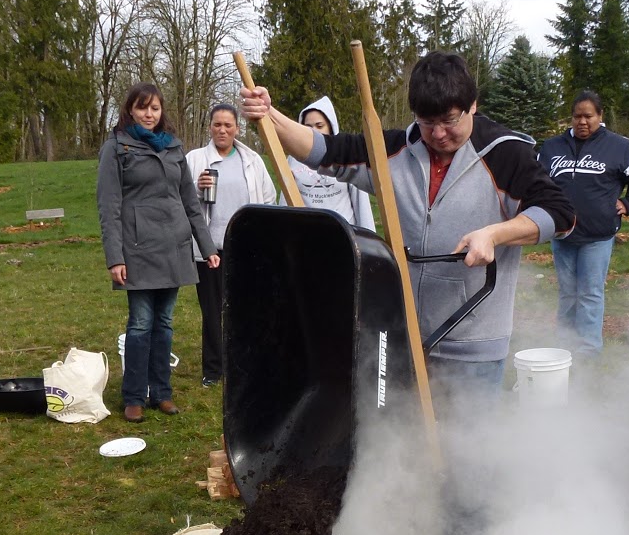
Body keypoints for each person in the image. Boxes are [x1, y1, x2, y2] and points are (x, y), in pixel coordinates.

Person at [241, 51, 574, 412]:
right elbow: (324, 150)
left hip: (474, 343)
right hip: (405, 335)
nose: (439, 133)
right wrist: (269, 113)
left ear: (472, 106)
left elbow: (560, 213)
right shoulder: (397, 148)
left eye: (449, 120)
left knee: (470, 456)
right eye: (428, 122)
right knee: (409, 448)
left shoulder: (505, 153)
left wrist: (494, 234)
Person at [98, 84, 216, 422]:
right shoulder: (116, 147)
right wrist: (114, 257)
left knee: (164, 324)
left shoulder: (173, 147)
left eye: (155, 109)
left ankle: (161, 392)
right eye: (142, 108)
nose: (149, 114)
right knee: (140, 324)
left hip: (175, 249)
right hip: (136, 250)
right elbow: (109, 206)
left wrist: (206, 248)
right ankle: (134, 396)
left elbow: (191, 202)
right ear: (130, 110)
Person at [535, 90, 629, 356]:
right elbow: (537, 181)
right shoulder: (553, 147)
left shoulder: (619, 147)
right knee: (568, 293)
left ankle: (588, 352)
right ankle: (564, 349)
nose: (582, 122)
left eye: (588, 116)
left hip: (597, 236)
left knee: (589, 293)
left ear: (600, 116)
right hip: (562, 234)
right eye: (577, 116)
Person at [185, 104, 277, 388]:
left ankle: (244, 364)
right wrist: (196, 188)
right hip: (209, 249)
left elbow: (269, 198)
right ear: (209, 128)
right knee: (212, 310)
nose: (222, 130)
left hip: (244, 248)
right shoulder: (196, 159)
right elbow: (182, 200)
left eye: (227, 125)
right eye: (216, 125)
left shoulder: (252, 160)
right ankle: (213, 370)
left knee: (245, 308)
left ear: (237, 128)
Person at [290, 96, 375, 232]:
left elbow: (362, 207)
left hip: (343, 238)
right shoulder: (293, 160)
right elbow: (286, 205)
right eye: (308, 127)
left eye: (319, 126)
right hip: (305, 238)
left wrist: (369, 244)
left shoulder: (346, 157)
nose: (314, 131)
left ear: (330, 127)